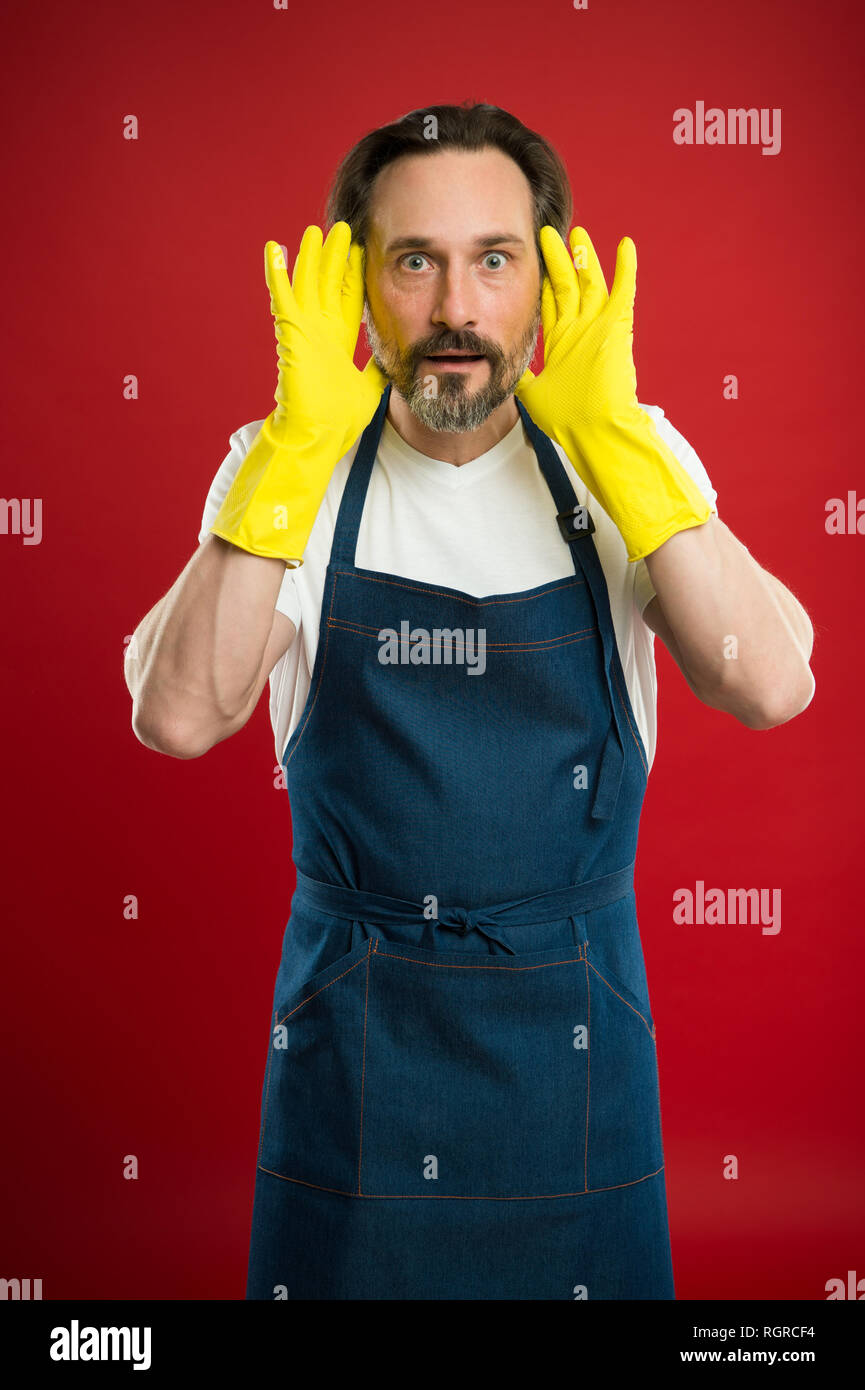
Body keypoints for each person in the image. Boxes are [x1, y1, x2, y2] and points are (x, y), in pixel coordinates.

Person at [125, 103, 815, 1301]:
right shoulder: (289, 467)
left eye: (493, 260)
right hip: (356, 1047)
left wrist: (622, 447)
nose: (456, 308)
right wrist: (285, 463)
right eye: (413, 262)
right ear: (357, 287)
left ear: (547, 282)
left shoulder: (626, 459)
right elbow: (180, 714)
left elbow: (769, 682)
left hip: (574, 1051)